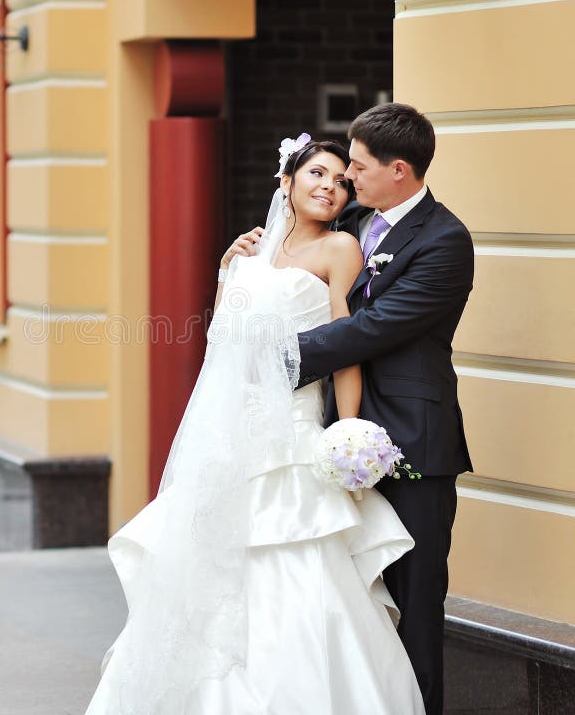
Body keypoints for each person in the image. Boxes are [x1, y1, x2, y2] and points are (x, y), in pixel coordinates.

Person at [85, 135, 425, 714]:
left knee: (297, 561)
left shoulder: (341, 248)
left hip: (292, 438)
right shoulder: (249, 251)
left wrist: (347, 431)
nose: (330, 186)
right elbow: (223, 343)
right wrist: (226, 268)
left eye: (342, 181)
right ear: (286, 181)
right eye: (317, 173)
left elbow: (346, 344)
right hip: (230, 436)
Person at [295, 103, 474, 715]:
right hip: (331, 437)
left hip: (413, 442)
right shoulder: (349, 218)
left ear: (400, 170)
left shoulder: (446, 240)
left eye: (360, 165)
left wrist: (278, 354)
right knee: (350, 600)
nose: (346, 175)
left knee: (414, 602)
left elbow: (377, 326)